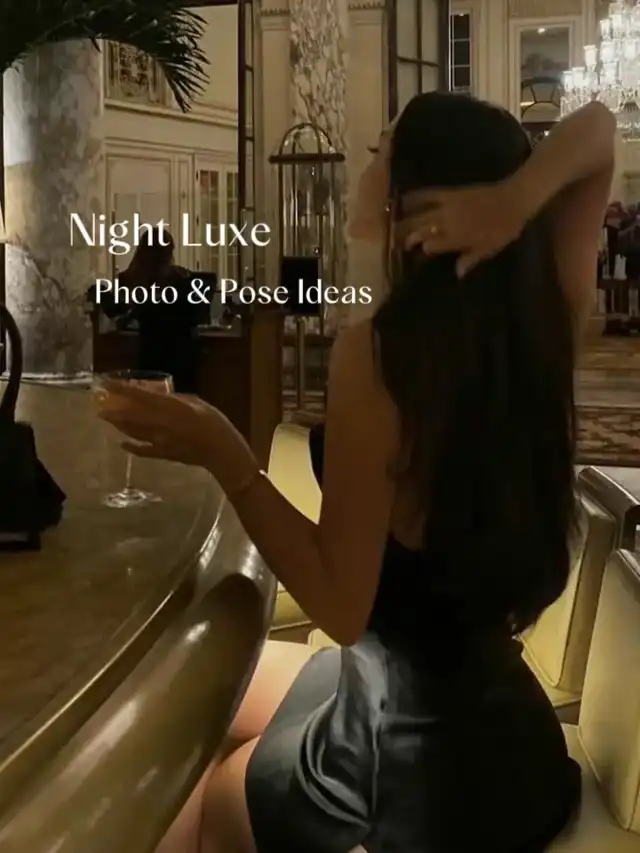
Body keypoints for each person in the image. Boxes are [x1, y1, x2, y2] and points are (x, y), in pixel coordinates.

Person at [100, 95, 614, 853]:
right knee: (197, 691)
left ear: (415, 196)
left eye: (379, 155)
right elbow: (599, 134)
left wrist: (226, 454)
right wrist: (514, 203)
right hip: (509, 746)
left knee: (206, 790)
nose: (362, 172)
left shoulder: (378, 356)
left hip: (412, 779)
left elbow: (340, 608)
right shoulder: (543, 323)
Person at [102, 228, 206, 392]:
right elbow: (196, 316)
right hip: (180, 351)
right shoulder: (180, 277)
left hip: (150, 350)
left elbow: (122, 311)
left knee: (150, 399)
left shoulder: (132, 278)